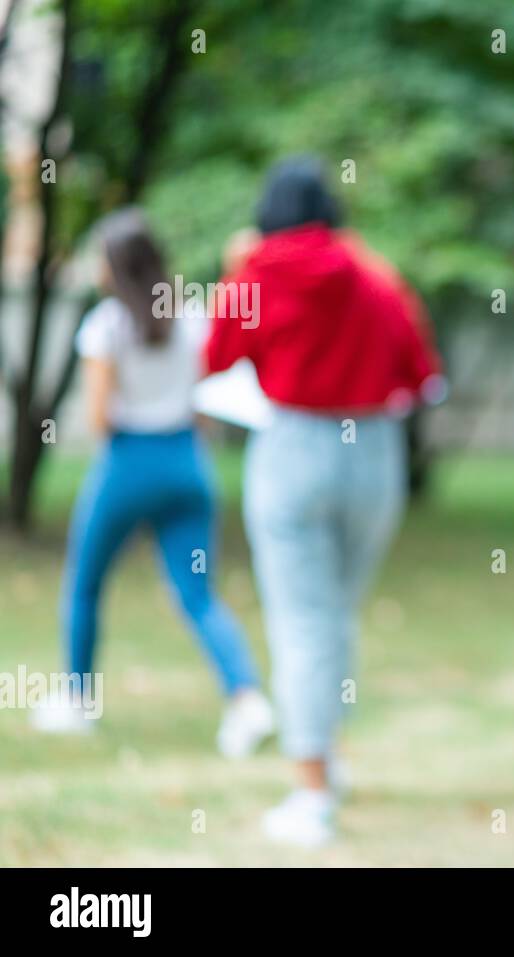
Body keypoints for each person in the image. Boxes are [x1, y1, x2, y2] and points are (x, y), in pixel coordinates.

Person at [206, 156, 442, 847]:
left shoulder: (258, 268)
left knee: (302, 619)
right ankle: (326, 759)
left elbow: (216, 353)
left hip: (293, 449)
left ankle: (311, 791)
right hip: (373, 453)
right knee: (333, 614)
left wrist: (234, 270)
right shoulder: (375, 272)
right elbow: (421, 373)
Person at [32, 208, 275, 760]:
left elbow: (98, 419)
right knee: (197, 595)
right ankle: (246, 698)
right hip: (188, 462)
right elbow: (209, 403)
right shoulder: (190, 318)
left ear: (113, 267)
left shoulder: (105, 327)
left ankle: (77, 700)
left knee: (85, 584)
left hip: (127, 463)